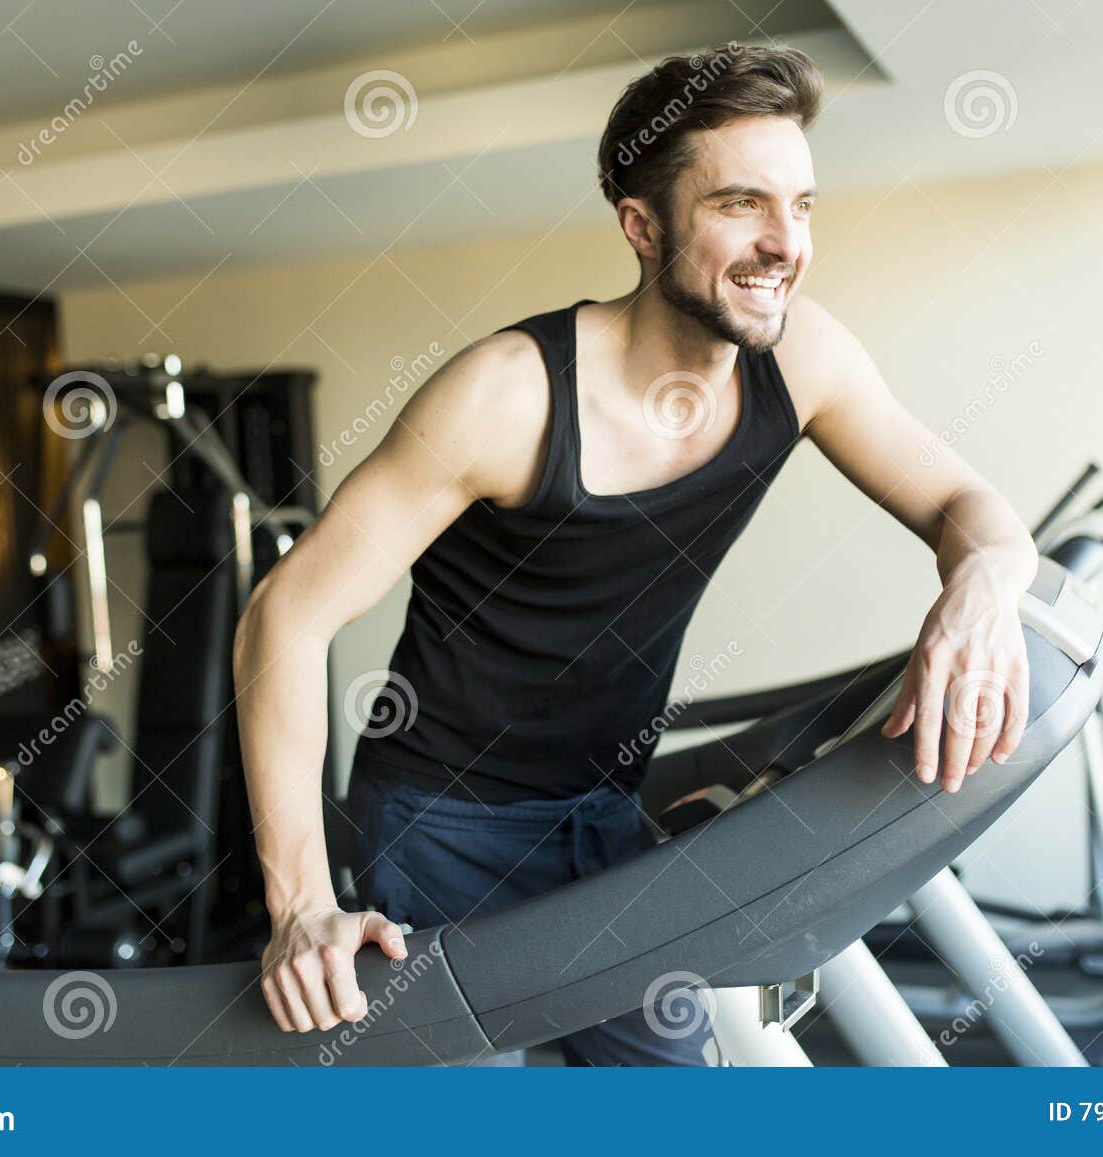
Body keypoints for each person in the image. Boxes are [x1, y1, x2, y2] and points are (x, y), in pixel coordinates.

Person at [232, 42, 1038, 1065]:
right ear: (642, 225)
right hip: (443, 818)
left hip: (603, 815)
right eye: (740, 204)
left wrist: (977, 585)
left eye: (802, 205)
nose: (783, 242)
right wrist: (299, 904)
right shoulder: (507, 397)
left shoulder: (803, 358)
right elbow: (286, 615)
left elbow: (971, 506)